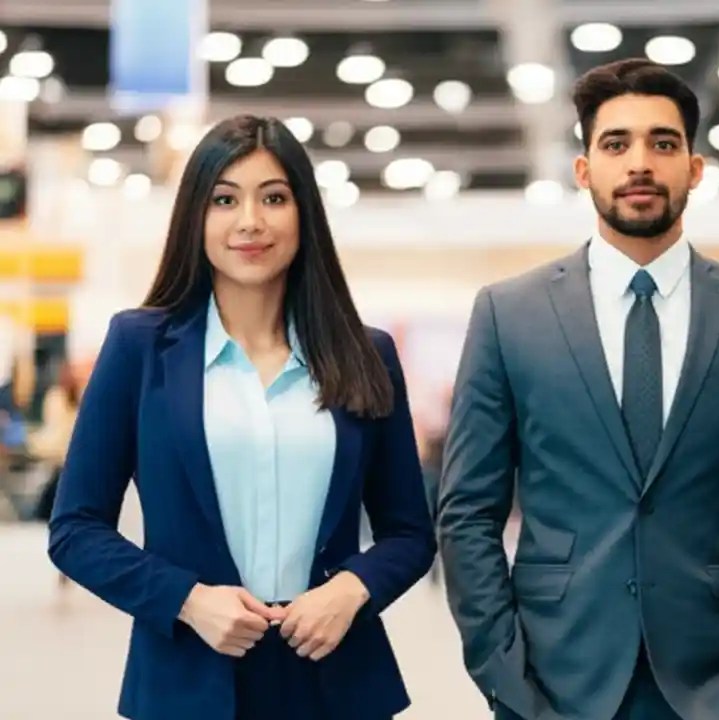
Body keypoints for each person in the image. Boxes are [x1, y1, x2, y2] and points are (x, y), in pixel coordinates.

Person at [438, 58, 719, 720]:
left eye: (663, 142)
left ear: (696, 168)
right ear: (584, 169)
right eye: (616, 143)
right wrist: (502, 672)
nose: (640, 163)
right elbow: (468, 511)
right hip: (554, 681)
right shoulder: (510, 314)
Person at [47, 115, 434, 720]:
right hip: (189, 673)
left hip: (334, 674)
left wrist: (349, 590)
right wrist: (186, 600)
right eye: (225, 199)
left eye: (274, 197)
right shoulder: (140, 348)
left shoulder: (366, 354)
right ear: (195, 217)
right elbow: (75, 528)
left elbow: (410, 532)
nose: (250, 220)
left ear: (303, 214)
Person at [30, 361, 82, 588]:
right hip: (71, 464)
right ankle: (65, 563)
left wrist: (33, 443)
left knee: (60, 517)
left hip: (64, 464)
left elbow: (55, 432)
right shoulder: (68, 397)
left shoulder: (60, 398)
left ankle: (65, 562)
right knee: (68, 517)